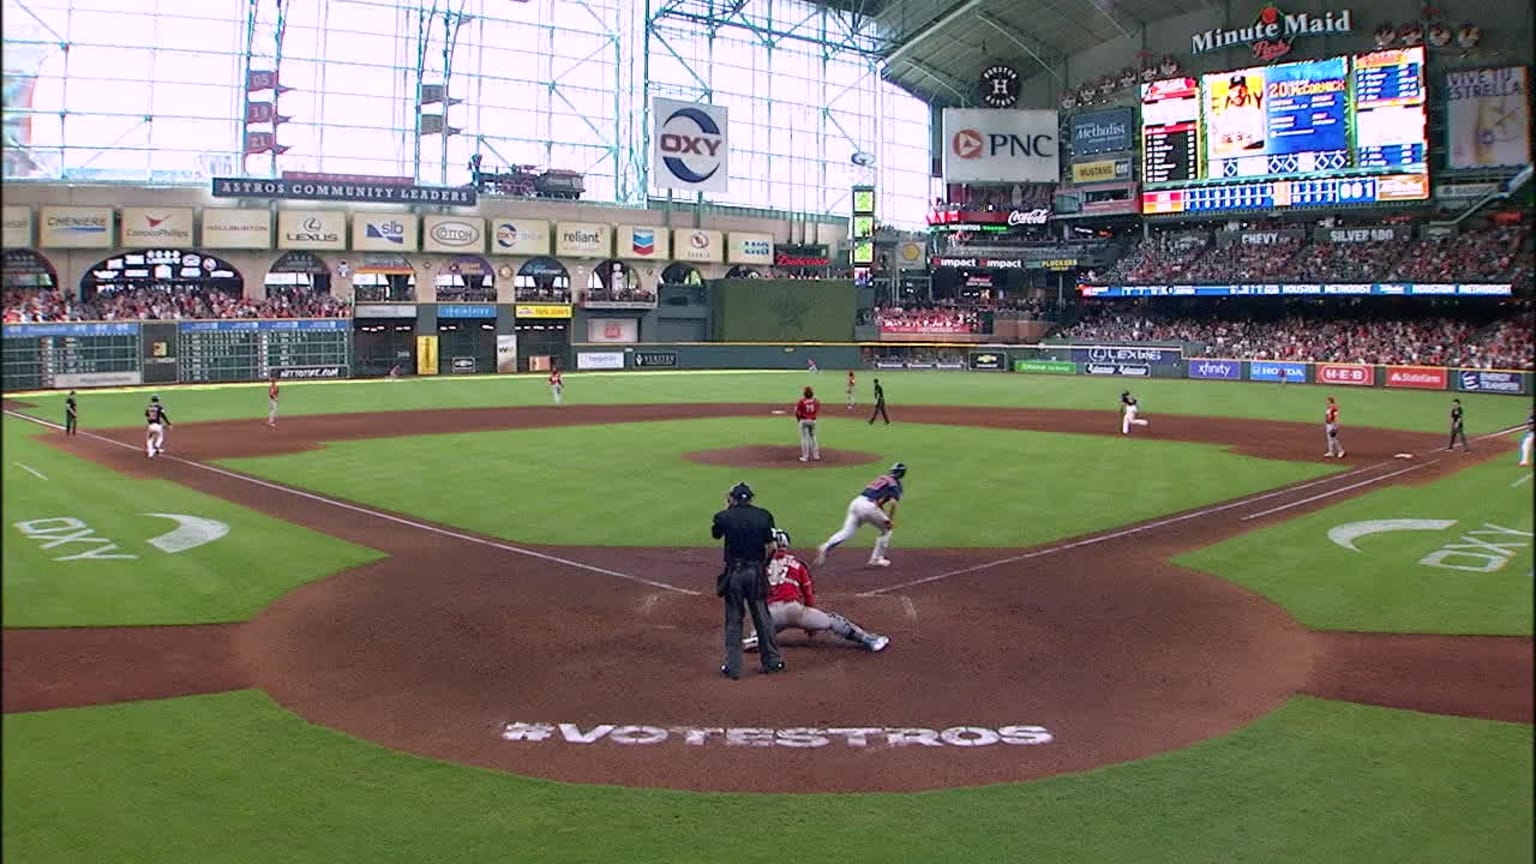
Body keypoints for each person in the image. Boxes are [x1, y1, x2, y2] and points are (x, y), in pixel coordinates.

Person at [743, 529, 890, 654]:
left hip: (769, 615)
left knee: (760, 619)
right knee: (832, 621)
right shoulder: (798, 564)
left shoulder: (758, 565)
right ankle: (868, 640)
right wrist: (809, 621)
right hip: (793, 611)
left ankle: (757, 637)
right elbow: (808, 594)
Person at [709, 482, 786, 680]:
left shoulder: (724, 516)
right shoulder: (764, 515)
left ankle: (733, 668)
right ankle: (772, 662)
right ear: (751, 498)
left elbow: (716, 534)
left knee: (734, 620)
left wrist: (728, 510)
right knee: (762, 616)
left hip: (734, 573)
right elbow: (772, 547)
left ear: (732, 499)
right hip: (755, 572)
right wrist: (763, 566)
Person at [815, 461, 906, 568]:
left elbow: (879, 499)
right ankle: (876, 559)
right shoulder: (895, 484)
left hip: (856, 503)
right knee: (887, 530)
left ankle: (826, 546)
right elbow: (893, 503)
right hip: (868, 507)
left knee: (847, 531)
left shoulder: (882, 477)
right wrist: (890, 520)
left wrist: (880, 510)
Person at [795, 386, 821, 462]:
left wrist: (798, 420)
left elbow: (797, 412)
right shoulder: (816, 401)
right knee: (813, 437)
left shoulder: (801, 401)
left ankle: (805, 457)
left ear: (804, 393)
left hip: (804, 420)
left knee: (804, 438)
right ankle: (816, 455)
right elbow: (817, 409)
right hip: (813, 421)